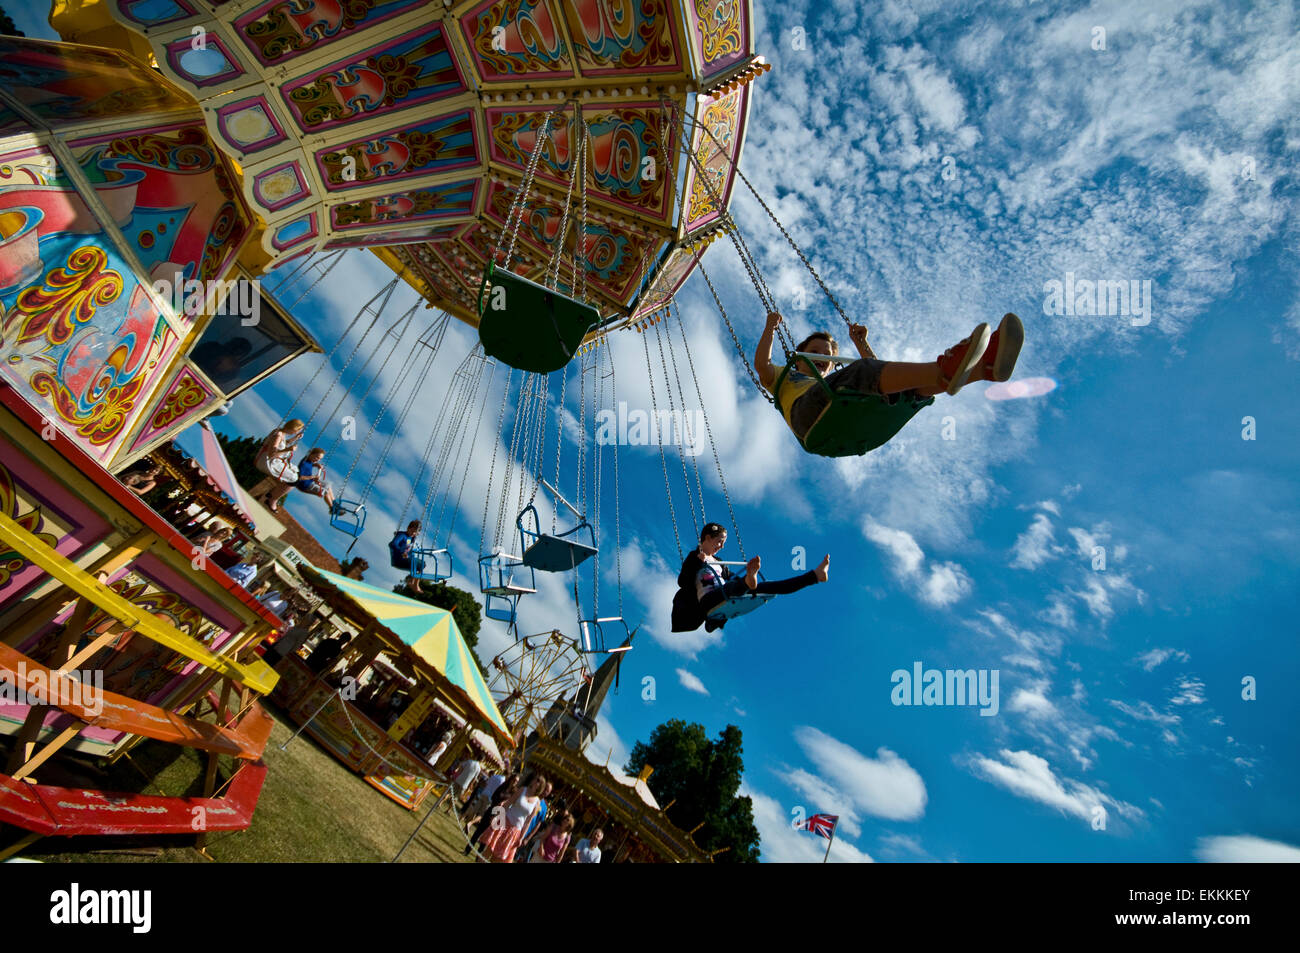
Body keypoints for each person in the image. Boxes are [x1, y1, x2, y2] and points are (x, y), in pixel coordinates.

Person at [754, 311, 1024, 449]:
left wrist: (861, 343)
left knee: (905, 389)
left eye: (827, 355)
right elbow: (762, 366)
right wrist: (769, 328)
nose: (821, 357)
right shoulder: (786, 376)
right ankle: (950, 366)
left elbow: (879, 375)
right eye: (814, 352)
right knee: (862, 372)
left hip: (848, 419)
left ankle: (984, 367)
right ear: (799, 357)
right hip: (809, 418)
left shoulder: (837, 384)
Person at [671, 523, 828, 633]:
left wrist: (745, 578)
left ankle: (815, 576)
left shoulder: (720, 563)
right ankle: (748, 579)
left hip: (727, 592)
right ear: (707, 538)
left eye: (723, 543)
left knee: (768, 586)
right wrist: (697, 561)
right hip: (709, 600)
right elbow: (682, 581)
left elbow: (731, 578)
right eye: (719, 541)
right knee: (732, 588)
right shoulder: (694, 557)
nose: (721, 546)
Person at [480, 774, 546, 863]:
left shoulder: (537, 802)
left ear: (541, 786)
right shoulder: (523, 790)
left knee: (499, 858)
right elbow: (508, 804)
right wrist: (497, 817)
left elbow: (528, 822)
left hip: (515, 831)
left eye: (538, 781)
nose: (535, 781)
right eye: (536, 779)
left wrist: (521, 837)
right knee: (489, 850)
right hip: (505, 822)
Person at [252, 420, 305, 512]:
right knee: (294, 479)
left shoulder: (280, 433)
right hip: (267, 462)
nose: (296, 432)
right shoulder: (278, 435)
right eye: (297, 430)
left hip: (271, 461)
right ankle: (273, 499)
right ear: (294, 429)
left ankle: (272, 494)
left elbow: (282, 444)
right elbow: (271, 454)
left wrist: (294, 439)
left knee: (296, 473)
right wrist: (288, 449)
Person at [389, 520, 426, 593]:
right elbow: (392, 544)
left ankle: (413, 583)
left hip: (405, 559)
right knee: (419, 564)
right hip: (398, 560)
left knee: (422, 564)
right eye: (412, 531)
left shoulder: (410, 538)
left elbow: (407, 547)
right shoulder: (402, 535)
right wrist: (401, 552)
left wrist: (408, 553)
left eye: (415, 532)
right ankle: (414, 584)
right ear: (408, 528)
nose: (413, 533)